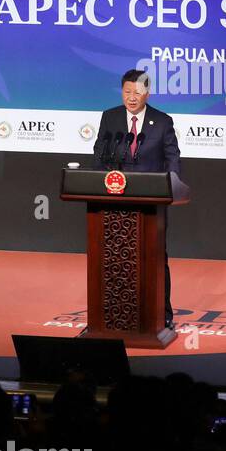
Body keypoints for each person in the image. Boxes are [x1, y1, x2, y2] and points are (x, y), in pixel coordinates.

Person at [92, 68, 182, 328]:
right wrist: (97, 183)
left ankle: (163, 314)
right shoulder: (109, 118)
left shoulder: (162, 121)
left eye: (138, 92)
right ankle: (114, 311)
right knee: (114, 256)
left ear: (147, 93)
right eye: (127, 92)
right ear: (122, 92)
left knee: (155, 258)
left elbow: (172, 158)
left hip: (151, 203)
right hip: (114, 201)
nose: (132, 98)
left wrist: (172, 185)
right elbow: (99, 154)